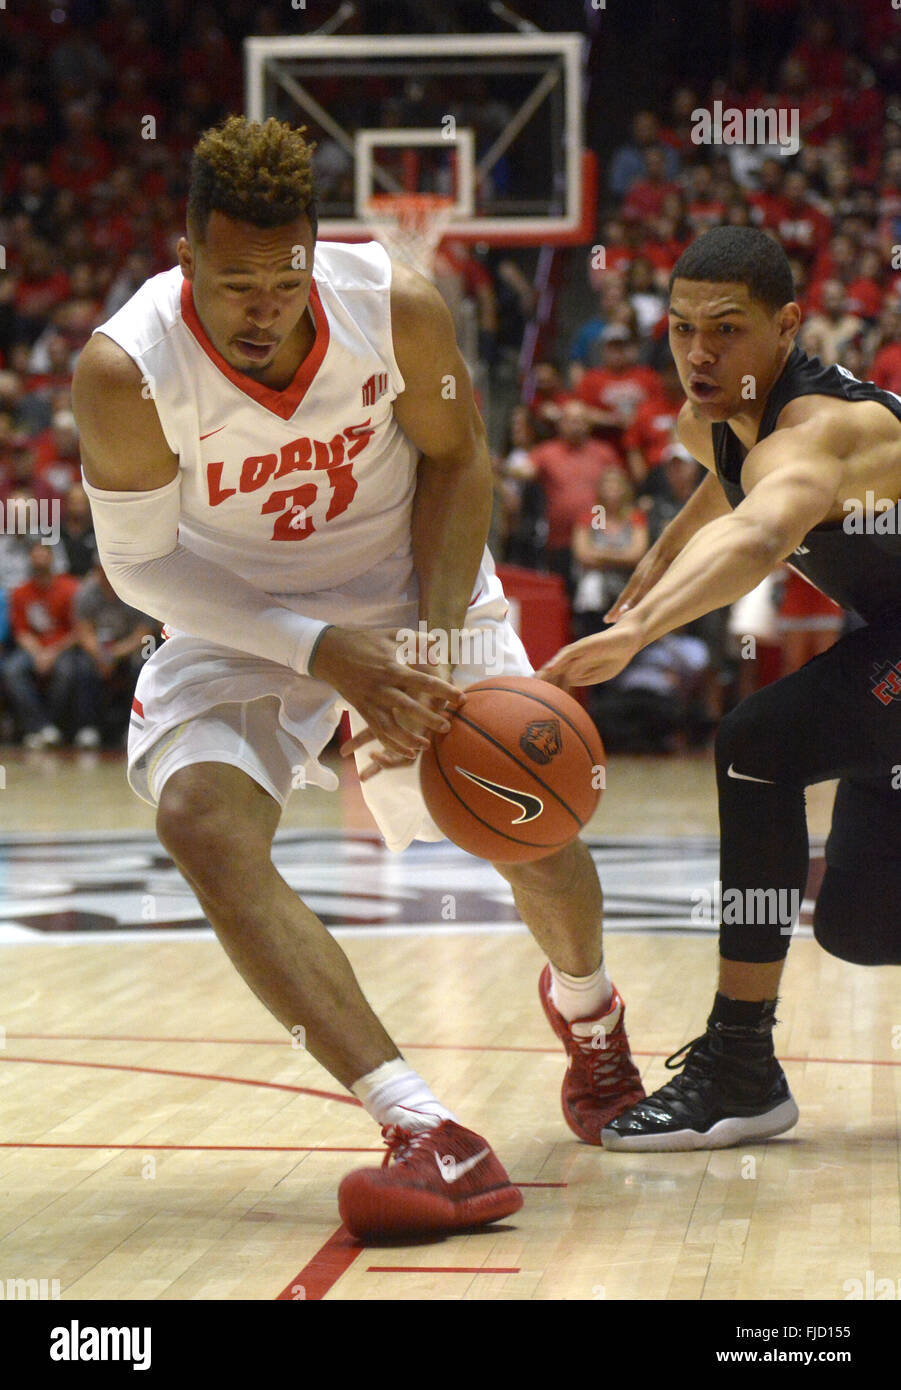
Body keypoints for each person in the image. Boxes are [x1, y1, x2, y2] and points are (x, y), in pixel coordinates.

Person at [72, 116, 644, 1240]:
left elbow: (458, 458)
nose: (264, 307)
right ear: (185, 258)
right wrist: (322, 653)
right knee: (202, 820)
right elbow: (140, 565)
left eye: (285, 280)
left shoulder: (394, 304)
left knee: (528, 819)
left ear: (316, 252)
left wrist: (426, 652)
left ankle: (589, 1013)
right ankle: (420, 1123)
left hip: (409, 579)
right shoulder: (126, 367)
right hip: (236, 613)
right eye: (235, 282)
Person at [541, 224, 901, 1150]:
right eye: (680, 328)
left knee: (756, 743)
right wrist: (647, 577)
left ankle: (740, 1065)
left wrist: (636, 634)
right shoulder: (721, 416)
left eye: (726, 330)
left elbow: (756, 536)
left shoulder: (824, 429)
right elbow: (720, 491)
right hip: (888, 646)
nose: (698, 353)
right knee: (860, 928)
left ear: (785, 326)